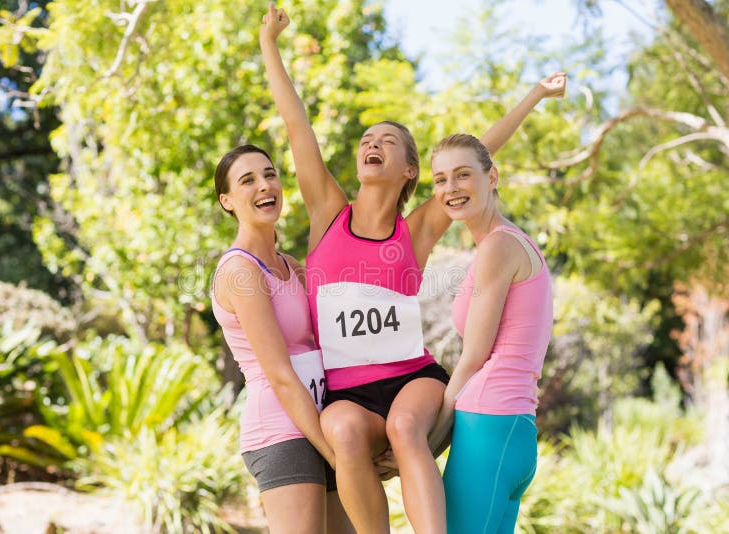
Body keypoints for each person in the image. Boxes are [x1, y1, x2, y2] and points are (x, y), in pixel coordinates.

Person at [260, 5, 565, 532]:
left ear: (409, 169)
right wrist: (270, 43)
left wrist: (533, 96)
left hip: (411, 378)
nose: (371, 145)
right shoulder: (327, 211)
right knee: (345, 433)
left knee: (405, 426)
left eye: (387, 141)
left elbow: (479, 154)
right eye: (365, 141)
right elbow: (295, 124)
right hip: (347, 389)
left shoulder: (418, 229)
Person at [210, 144, 353, 534]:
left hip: (323, 423)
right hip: (280, 431)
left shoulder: (292, 266)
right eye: (248, 180)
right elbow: (280, 374)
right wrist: (339, 458)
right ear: (227, 201)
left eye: (270, 174)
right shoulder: (240, 270)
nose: (264, 185)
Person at [427, 133, 555, 533]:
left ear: (492, 177)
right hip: (512, 427)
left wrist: (428, 442)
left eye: (463, 175)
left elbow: (474, 356)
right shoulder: (511, 243)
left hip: (489, 423)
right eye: (440, 179)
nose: (451, 188)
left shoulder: (498, 247)